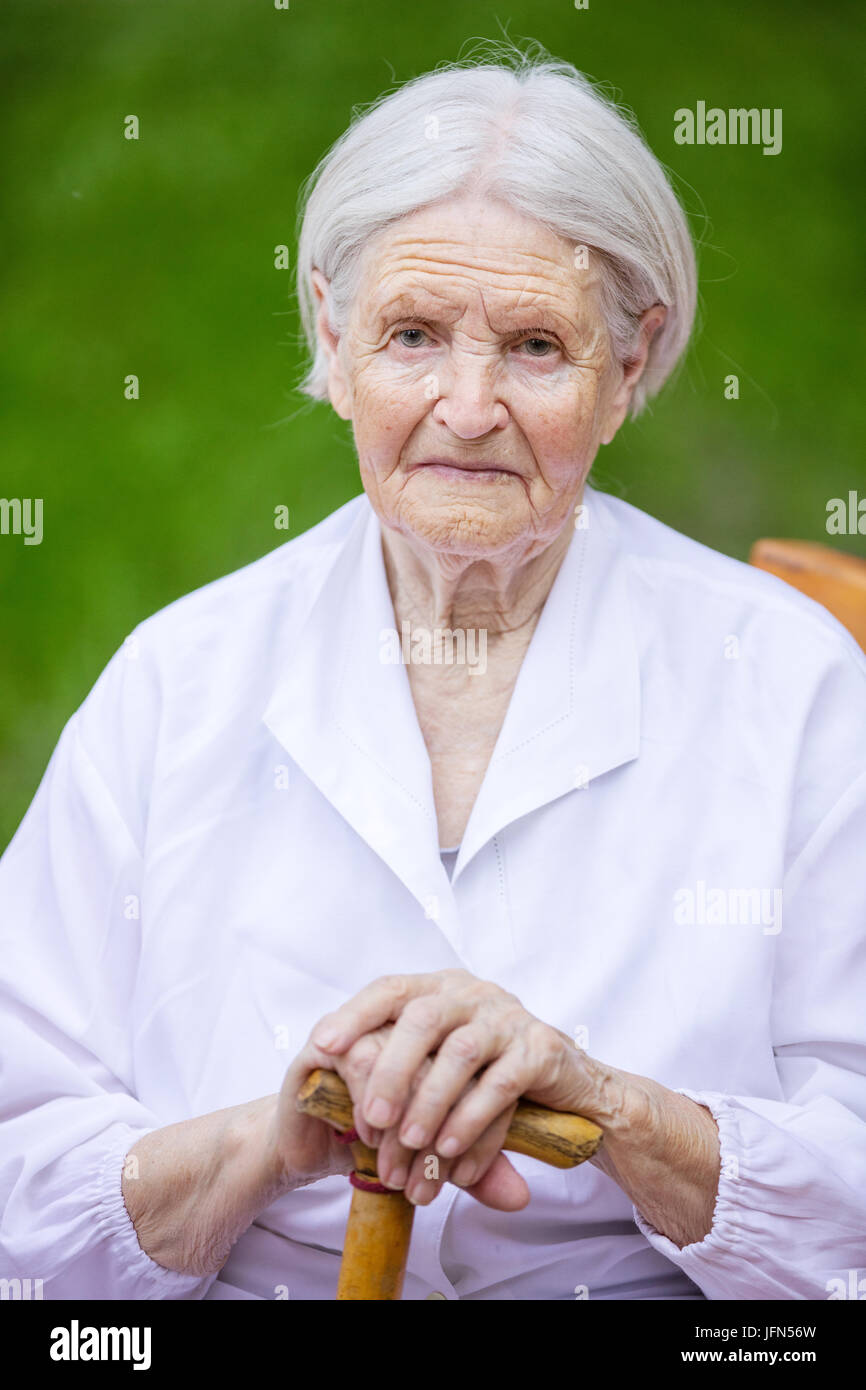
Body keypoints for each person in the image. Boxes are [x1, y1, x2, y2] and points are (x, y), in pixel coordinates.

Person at [1, 44, 865, 1301]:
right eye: (411, 334)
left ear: (628, 367)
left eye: (530, 347)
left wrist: (609, 1106)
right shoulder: (177, 683)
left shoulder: (789, 685)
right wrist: (267, 1143)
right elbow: (17, 1177)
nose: (466, 406)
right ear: (332, 335)